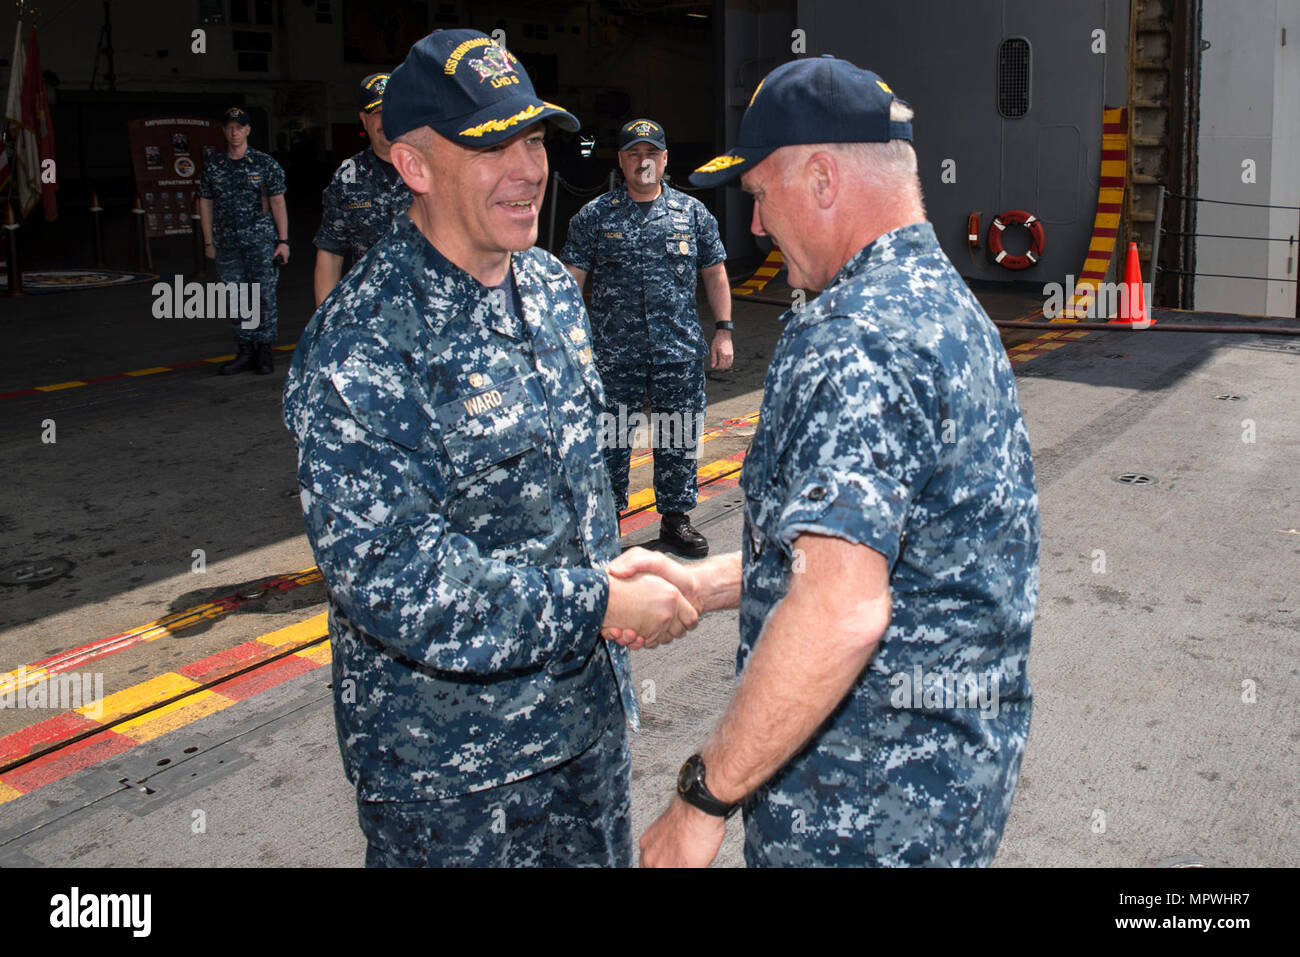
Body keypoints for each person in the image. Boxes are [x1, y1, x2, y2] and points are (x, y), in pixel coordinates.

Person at [605, 55, 1041, 868]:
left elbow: (841, 609)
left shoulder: (856, 336)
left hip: (866, 808)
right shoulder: (942, 304)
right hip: (948, 789)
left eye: (762, 195)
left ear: (822, 176)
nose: (760, 226)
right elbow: (882, 549)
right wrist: (707, 581)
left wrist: (701, 802)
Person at [281, 28, 697, 868]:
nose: (528, 168)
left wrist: (614, 580)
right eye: (491, 144)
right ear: (415, 166)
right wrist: (596, 603)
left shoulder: (547, 289)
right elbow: (395, 576)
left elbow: (578, 503)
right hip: (452, 779)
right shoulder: (362, 342)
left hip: (585, 737)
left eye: (533, 138)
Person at [560, 118, 732, 558]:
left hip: (678, 350)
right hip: (613, 354)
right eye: (634, 153)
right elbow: (571, 281)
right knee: (612, 439)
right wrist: (567, 342)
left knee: (678, 436)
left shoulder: (692, 215)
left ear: (665, 158)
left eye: (651, 153)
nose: (643, 162)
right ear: (621, 160)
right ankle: (607, 526)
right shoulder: (595, 216)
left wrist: (723, 330)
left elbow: (714, 274)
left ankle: (676, 520)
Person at [199, 107, 289, 375]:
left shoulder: (264, 164)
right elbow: (205, 203)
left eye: (239, 127)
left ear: (248, 130)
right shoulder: (214, 166)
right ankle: (244, 349)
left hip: (261, 242)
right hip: (227, 244)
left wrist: (283, 240)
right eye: (229, 127)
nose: (234, 132)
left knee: (263, 296)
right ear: (224, 131)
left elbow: (277, 201)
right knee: (236, 297)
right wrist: (208, 242)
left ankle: (264, 350)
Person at [312, 72, 412, 306]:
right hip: (368, 315)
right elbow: (330, 253)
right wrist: (325, 325)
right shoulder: (347, 178)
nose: (386, 121)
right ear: (364, 120)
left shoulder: (434, 168)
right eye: (377, 113)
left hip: (428, 314)